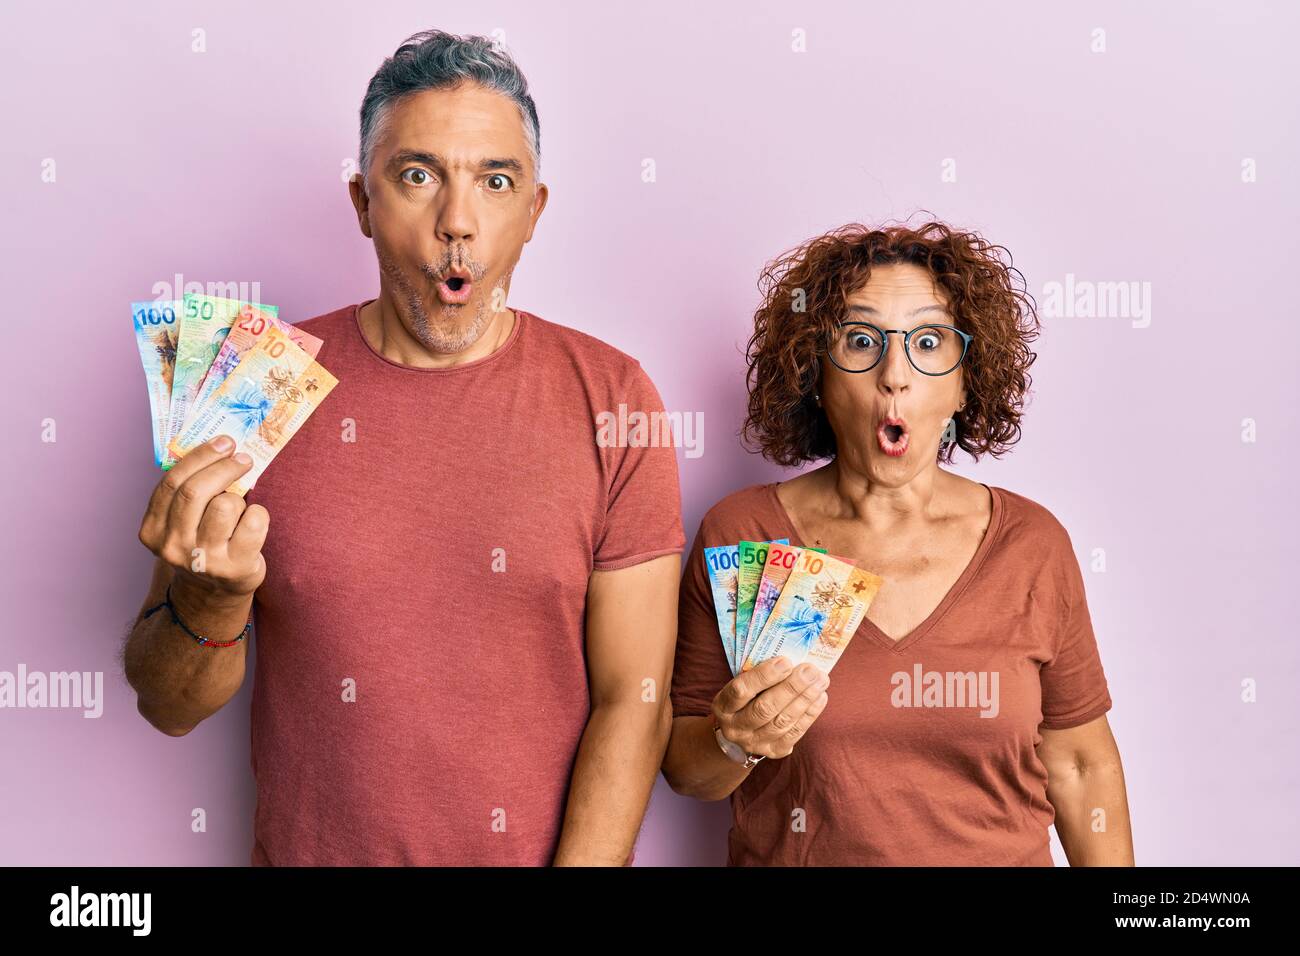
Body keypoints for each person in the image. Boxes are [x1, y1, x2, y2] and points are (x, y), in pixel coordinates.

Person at [124, 30, 684, 866]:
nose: (457, 222)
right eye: (417, 176)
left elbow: (634, 701)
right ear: (362, 202)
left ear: (533, 211)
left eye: (496, 182)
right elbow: (167, 705)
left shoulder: (614, 399)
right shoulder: (253, 387)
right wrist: (207, 602)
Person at [662, 221, 1133, 866]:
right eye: (860, 341)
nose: (895, 375)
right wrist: (736, 740)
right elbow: (688, 773)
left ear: (965, 382)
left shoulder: (1034, 545)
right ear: (816, 377)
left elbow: (1080, 765)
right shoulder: (745, 536)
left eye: (929, 342)